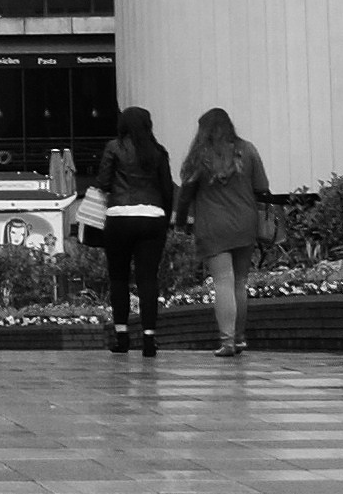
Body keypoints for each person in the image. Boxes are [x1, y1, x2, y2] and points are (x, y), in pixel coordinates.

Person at [175, 107, 274, 358]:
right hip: (245, 223)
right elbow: (262, 186)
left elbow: (185, 192)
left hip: (213, 227)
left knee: (223, 282)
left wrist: (180, 221)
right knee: (240, 282)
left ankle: (227, 340)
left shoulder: (200, 156)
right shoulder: (248, 150)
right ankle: (239, 338)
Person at [92, 106, 177, 358]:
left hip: (119, 216)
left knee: (118, 278)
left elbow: (104, 182)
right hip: (152, 217)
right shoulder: (159, 152)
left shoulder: (114, 147)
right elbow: (167, 189)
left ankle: (122, 336)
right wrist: (164, 220)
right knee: (148, 279)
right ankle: (149, 339)